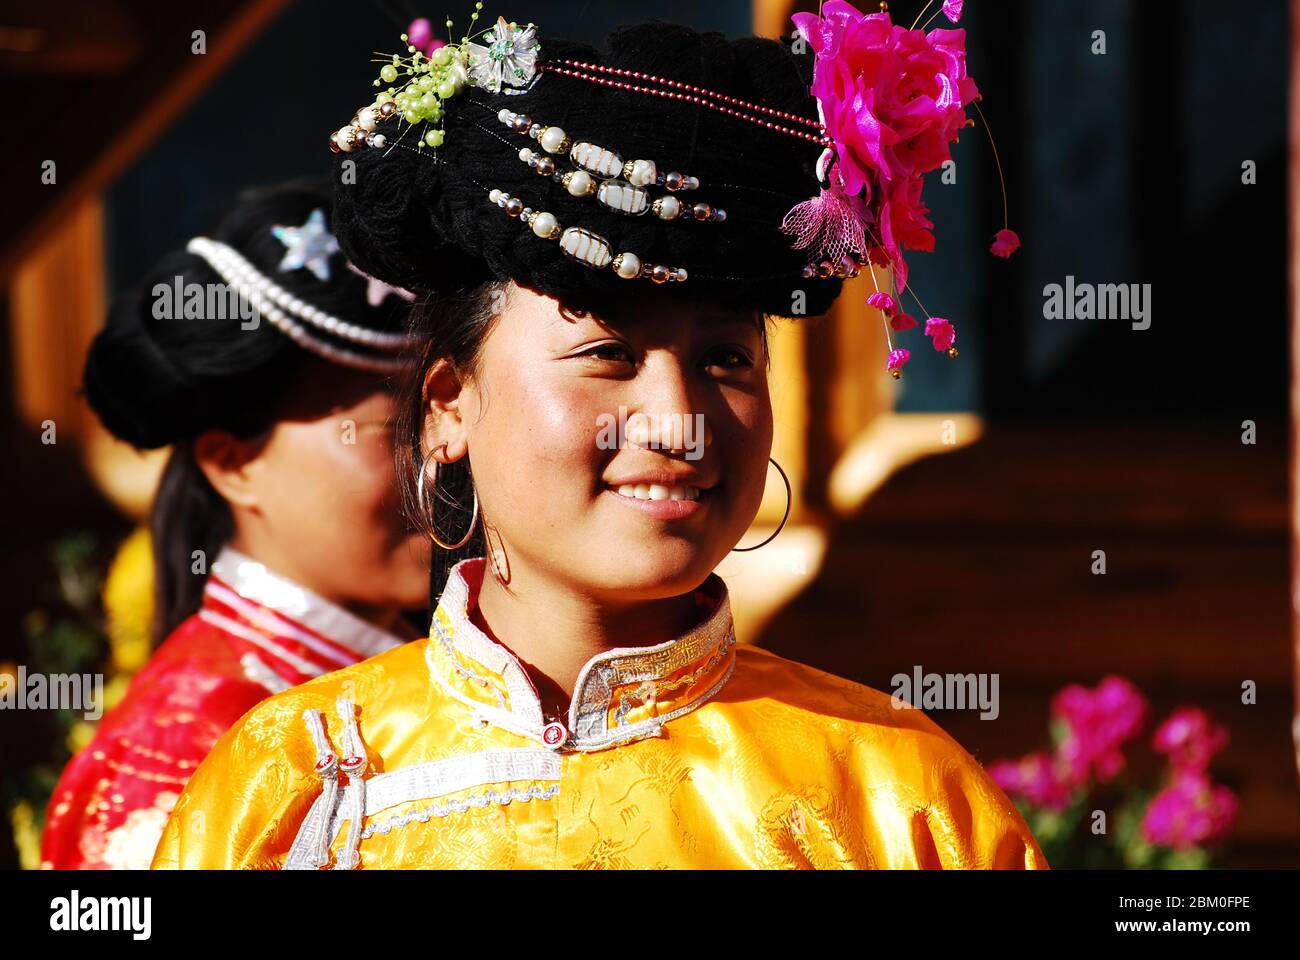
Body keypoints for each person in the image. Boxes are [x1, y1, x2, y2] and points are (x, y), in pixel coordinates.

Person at [153, 12, 1048, 869]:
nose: (677, 420)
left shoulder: (903, 801)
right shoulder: (288, 787)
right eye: (606, 353)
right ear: (448, 408)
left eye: (727, 357)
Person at [41, 180, 433, 869]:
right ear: (233, 464)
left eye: (448, 412)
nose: (441, 459)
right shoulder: (176, 763)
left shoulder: (409, 682)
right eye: (392, 428)